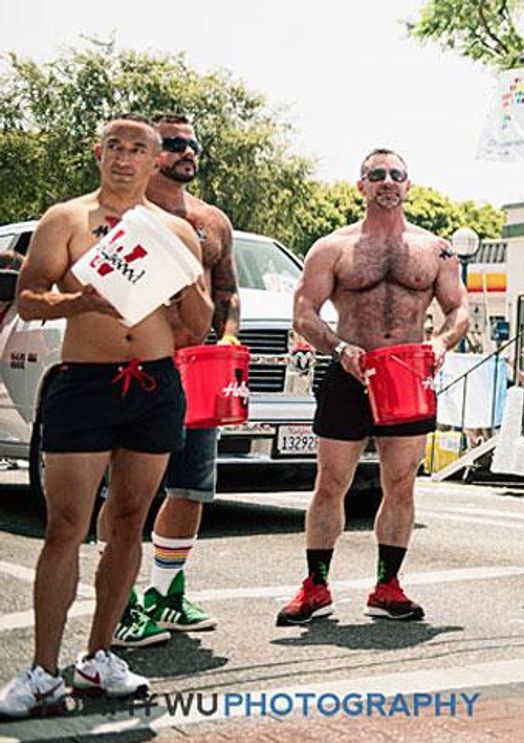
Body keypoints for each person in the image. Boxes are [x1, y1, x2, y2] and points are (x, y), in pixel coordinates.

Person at [0, 114, 212, 718]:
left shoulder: (176, 231)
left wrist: (184, 288)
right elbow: (29, 297)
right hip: (84, 382)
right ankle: (43, 670)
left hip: (155, 383)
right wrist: (79, 300)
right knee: (66, 523)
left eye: (137, 149)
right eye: (114, 147)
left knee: (127, 523)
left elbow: (196, 327)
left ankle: (98, 658)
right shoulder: (65, 219)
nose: (124, 158)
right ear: (99, 154)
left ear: (155, 162)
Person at [277, 148, 469, 625]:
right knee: (331, 483)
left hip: (407, 375)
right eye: (376, 174)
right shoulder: (332, 248)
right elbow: (304, 313)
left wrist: (442, 344)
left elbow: (459, 309)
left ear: (408, 185)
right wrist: (339, 348)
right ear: (360, 186)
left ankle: (387, 586)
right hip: (349, 374)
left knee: (401, 484)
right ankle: (316, 586)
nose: (387, 181)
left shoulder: (436, 249)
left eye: (396, 175)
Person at [108, 114, 241, 646]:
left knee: (190, 486)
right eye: (175, 145)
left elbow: (228, 291)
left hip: (200, 368)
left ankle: (165, 595)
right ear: (149, 152)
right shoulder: (120, 213)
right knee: (129, 489)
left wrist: (227, 337)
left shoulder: (213, 220)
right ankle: (119, 602)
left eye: (194, 145)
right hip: (137, 366)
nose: (188, 153)